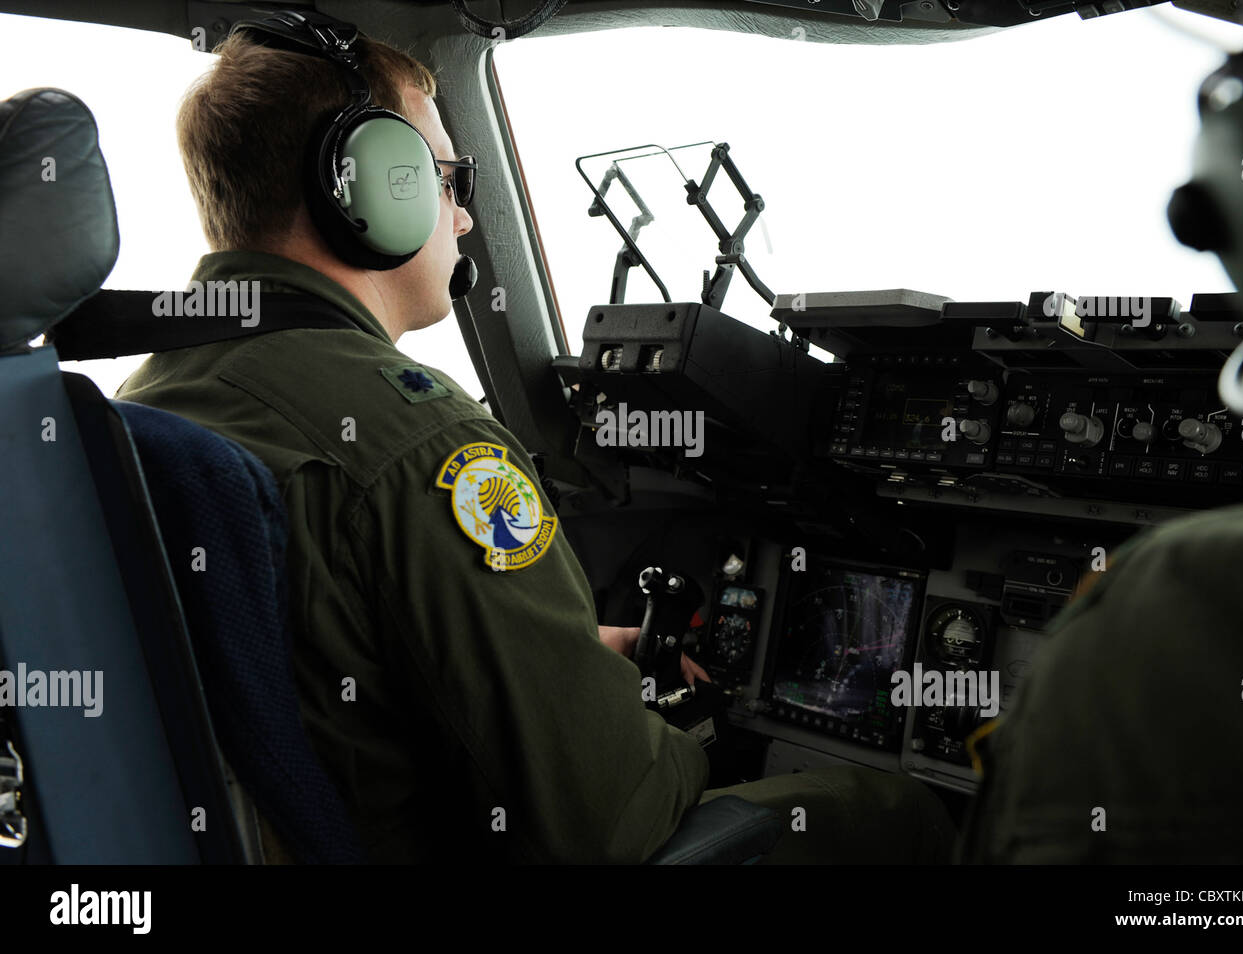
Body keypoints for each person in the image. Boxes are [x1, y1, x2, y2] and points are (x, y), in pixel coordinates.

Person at [118, 16, 954, 863]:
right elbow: (604, 819)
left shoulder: (143, 407)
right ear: (373, 187)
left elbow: (311, 661)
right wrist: (672, 729)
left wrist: (560, 662)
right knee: (892, 811)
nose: (467, 221)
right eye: (448, 179)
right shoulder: (422, 446)